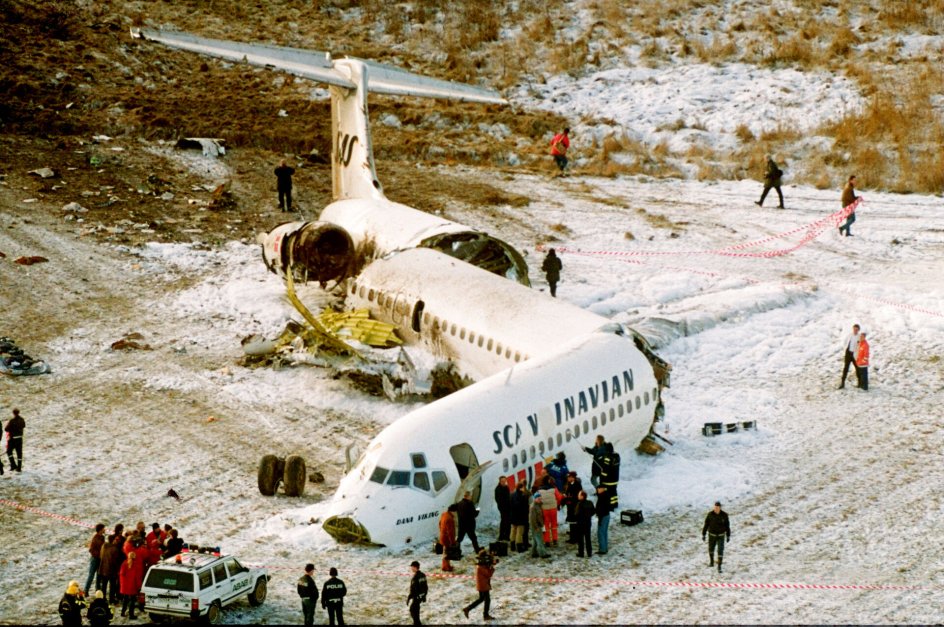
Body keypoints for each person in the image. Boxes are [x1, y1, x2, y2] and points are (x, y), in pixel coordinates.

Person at [461, 550, 497, 621]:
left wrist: (490, 564)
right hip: (483, 585)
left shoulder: (481, 565)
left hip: (482, 584)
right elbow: (489, 574)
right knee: (487, 600)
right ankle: (485, 615)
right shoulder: (480, 567)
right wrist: (492, 567)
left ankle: (467, 609)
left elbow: (487, 569)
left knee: (481, 599)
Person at [702, 501, 731, 573]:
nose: (716, 509)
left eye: (717, 507)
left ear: (720, 508)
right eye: (715, 507)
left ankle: (719, 566)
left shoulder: (724, 515)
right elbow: (706, 525)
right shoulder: (710, 515)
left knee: (720, 550)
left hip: (721, 535)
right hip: (712, 535)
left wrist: (728, 535)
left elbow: (727, 526)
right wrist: (703, 534)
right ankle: (711, 562)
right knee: (711, 549)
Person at [118, 549, 144, 618]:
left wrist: (122, 584)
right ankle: (131, 614)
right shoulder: (136, 565)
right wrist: (139, 586)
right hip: (132, 586)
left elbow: (121, 574)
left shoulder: (124, 563)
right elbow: (137, 578)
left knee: (125, 600)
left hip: (125, 586)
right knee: (132, 600)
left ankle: (123, 612)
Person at [538, 476, 562, 547]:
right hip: (553, 509)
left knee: (545, 525)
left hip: (544, 509)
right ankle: (555, 540)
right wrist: (557, 503)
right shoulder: (554, 489)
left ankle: (547, 541)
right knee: (554, 524)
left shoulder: (539, 490)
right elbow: (559, 498)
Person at [98, 533, 122, 605]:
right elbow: (115, 561)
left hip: (103, 569)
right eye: (116, 539)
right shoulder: (115, 549)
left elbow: (100, 556)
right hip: (111, 570)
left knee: (104, 586)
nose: (117, 541)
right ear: (113, 540)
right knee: (112, 586)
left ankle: (103, 598)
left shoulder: (104, 546)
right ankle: (111, 599)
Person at [85, 523, 107, 595]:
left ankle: (97, 590)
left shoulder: (102, 537)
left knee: (99, 575)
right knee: (91, 575)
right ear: (100, 530)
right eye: (103, 528)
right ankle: (86, 590)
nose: (105, 529)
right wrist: (98, 555)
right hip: (95, 559)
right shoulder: (95, 539)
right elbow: (91, 550)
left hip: (100, 559)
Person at [561, 471, 583, 544]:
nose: (568, 478)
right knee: (572, 522)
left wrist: (569, 498)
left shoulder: (577, 485)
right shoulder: (570, 484)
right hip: (570, 506)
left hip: (574, 506)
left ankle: (574, 538)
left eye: (569, 477)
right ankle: (572, 536)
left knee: (574, 522)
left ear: (573, 478)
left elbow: (577, 496)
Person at [509, 483, 530, 553]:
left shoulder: (511, 495)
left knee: (513, 531)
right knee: (519, 532)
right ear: (521, 488)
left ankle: (512, 545)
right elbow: (525, 508)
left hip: (513, 516)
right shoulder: (523, 496)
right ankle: (519, 547)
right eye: (523, 487)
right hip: (521, 517)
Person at [838, 323, 861, 389]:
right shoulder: (849, 335)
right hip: (848, 353)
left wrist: (857, 352)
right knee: (845, 368)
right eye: (854, 329)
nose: (855, 330)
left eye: (856, 329)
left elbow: (860, 345)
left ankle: (859, 383)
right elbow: (845, 342)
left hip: (855, 354)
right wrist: (846, 349)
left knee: (857, 368)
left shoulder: (859, 337)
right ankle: (842, 383)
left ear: (858, 330)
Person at [573, 490, 595, 558]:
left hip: (580, 524)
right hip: (588, 523)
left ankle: (581, 553)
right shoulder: (590, 502)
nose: (578, 496)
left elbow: (576, 514)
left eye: (579, 495)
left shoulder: (579, 504)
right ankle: (589, 553)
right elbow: (593, 511)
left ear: (582, 496)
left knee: (580, 539)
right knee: (588, 538)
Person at [529, 492, 549, 558]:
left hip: (539, 525)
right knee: (540, 540)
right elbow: (532, 519)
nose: (540, 500)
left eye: (540, 498)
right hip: (536, 526)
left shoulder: (539, 505)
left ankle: (534, 553)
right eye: (538, 498)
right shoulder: (533, 507)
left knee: (535, 540)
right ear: (535, 499)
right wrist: (536, 527)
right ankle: (543, 554)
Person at [407, 560, 427, 626]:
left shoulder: (421, 576)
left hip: (418, 597)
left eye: (412, 567)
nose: (411, 568)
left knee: (413, 610)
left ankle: (417, 623)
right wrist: (409, 596)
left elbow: (424, 587)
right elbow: (413, 587)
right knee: (414, 610)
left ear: (415, 567)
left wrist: (421, 596)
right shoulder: (415, 575)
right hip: (415, 596)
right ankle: (417, 623)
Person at [5, 408, 25, 472]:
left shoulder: (12, 421)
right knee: (19, 453)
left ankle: (13, 465)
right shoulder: (22, 420)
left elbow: (6, 429)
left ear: (13, 413)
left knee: (9, 451)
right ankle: (19, 468)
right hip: (20, 438)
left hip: (13, 439)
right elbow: (24, 426)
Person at [439, 503, 457, 571]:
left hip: (443, 536)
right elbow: (451, 532)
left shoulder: (444, 514)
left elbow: (440, 524)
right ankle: (445, 567)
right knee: (447, 553)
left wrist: (442, 531)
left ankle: (447, 566)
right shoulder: (449, 519)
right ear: (453, 511)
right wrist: (452, 542)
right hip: (447, 539)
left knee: (445, 552)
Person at [494, 476, 511, 543]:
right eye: (502, 481)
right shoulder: (497, 489)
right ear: (500, 481)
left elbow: (508, 497)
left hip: (508, 507)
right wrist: (502, 507)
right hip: (503, 508)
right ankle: (502, 536)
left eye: (504, 481)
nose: (504, 482)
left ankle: (506, 536)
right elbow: (498, 500)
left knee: (507, 521)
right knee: (504, 521)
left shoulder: (506, 487)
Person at [595, 485, 612, 555]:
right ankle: (605, 548)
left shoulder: (602, 496)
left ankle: (602, 549)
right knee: (604, 532)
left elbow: (601, 508)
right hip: (606, 515)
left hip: (603, 516)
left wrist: (599, 516)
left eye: (598, 489)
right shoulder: (605, 495)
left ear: (602, 489)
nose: (597, 490)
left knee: (601, 533)